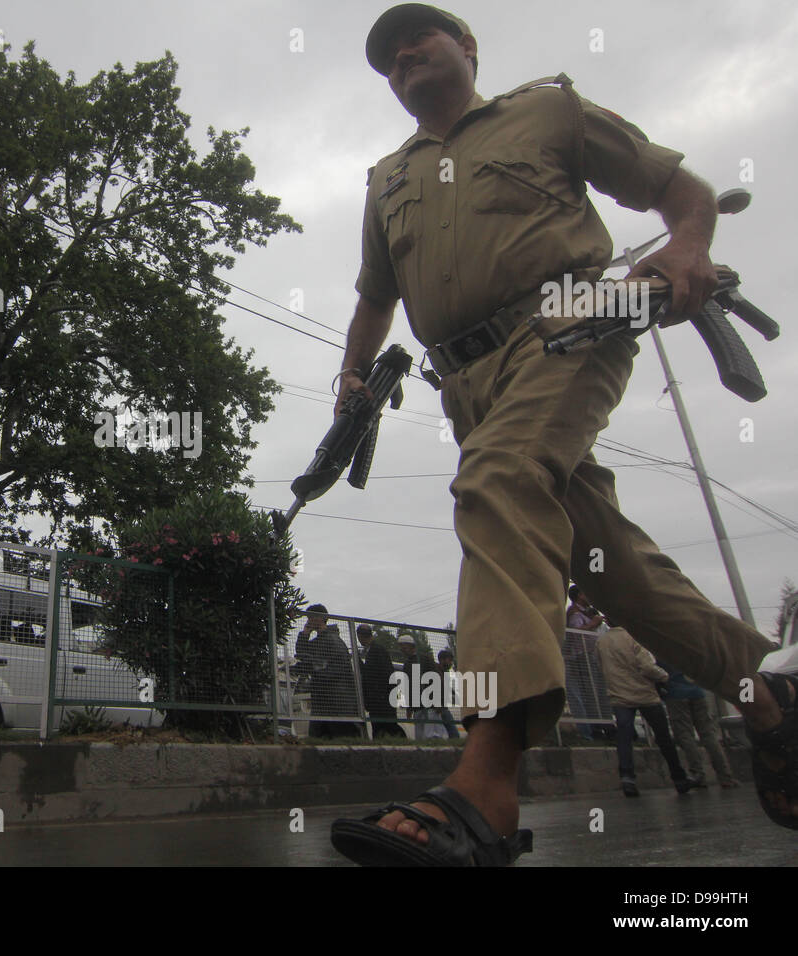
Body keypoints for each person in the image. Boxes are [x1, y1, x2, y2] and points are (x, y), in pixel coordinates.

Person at [329, 5, 795, 867]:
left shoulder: (547, 111)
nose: (400, 61)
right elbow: (372, 296)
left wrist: (687, 247)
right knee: (602, 563)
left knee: (500, 483)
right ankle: (767, 697)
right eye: (387, 64)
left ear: (467, 48)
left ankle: (485, 790)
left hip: (572, 321)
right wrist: (352, 379)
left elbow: (680, 192)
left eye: (416, 42)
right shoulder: (385, 180)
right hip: (463, 378)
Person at [594, 624, 693, 796]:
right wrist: (664, 677)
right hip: (645, 695)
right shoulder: (635, 638)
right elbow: (647, 667)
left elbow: (599, 665)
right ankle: (679, 778)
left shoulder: (601, 642)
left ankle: (627, 779)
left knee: (624, 738)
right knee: (663, 737)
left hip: (620, 696)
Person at [656, 658, 740, 789]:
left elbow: (655, 671)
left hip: (675, 694)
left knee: (685, 735)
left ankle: (698, 774)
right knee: (708, 734)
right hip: (697, 692)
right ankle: (725, 777)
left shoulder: (662, 649)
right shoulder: (687, 647)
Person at [292, 605, 357, 738]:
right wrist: (305, 634)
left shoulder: (333, 640)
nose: (308, 620)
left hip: (337, 702)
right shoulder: (320, 640)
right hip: (323, 701)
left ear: (320, 618)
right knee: (319, 738)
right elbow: (302, 653)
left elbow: (340, 667)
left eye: (311, 617)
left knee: (337, 739)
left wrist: (316, 671)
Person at [564, 585, 604, 740]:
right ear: (579, 595)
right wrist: (593, 624)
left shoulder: (587, 612)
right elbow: (576, 633)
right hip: (583, 656)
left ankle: (600, 725)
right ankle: (594, 728)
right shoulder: (574, 613)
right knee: (591, 692)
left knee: (597, 691)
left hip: (592, 654)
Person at [356, 624, 406, 739]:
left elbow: (386, 674)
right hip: (380, 700)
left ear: (361, 637)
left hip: (381, 700)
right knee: (382, 728)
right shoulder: (373, 651)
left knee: (386, 728)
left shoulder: (377, 650)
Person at [397, 635, 443, 739]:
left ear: (411, 646)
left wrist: (437, 700)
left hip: (430, 705)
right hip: (417, 706)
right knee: (420, 736)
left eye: (404, 647)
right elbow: (408, 687)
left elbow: (436, 679)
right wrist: (409, 708)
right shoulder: (407, 664)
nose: (402, 650)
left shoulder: (425, 659)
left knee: (431, 735)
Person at [436, 649, 462, 739]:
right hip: (438, 709)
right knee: (453, 734)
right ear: (442, 660)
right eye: (449, 660)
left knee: (452, 733)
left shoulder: (444, 673)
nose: (451, 663)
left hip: (442, 708)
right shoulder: (437, 672)